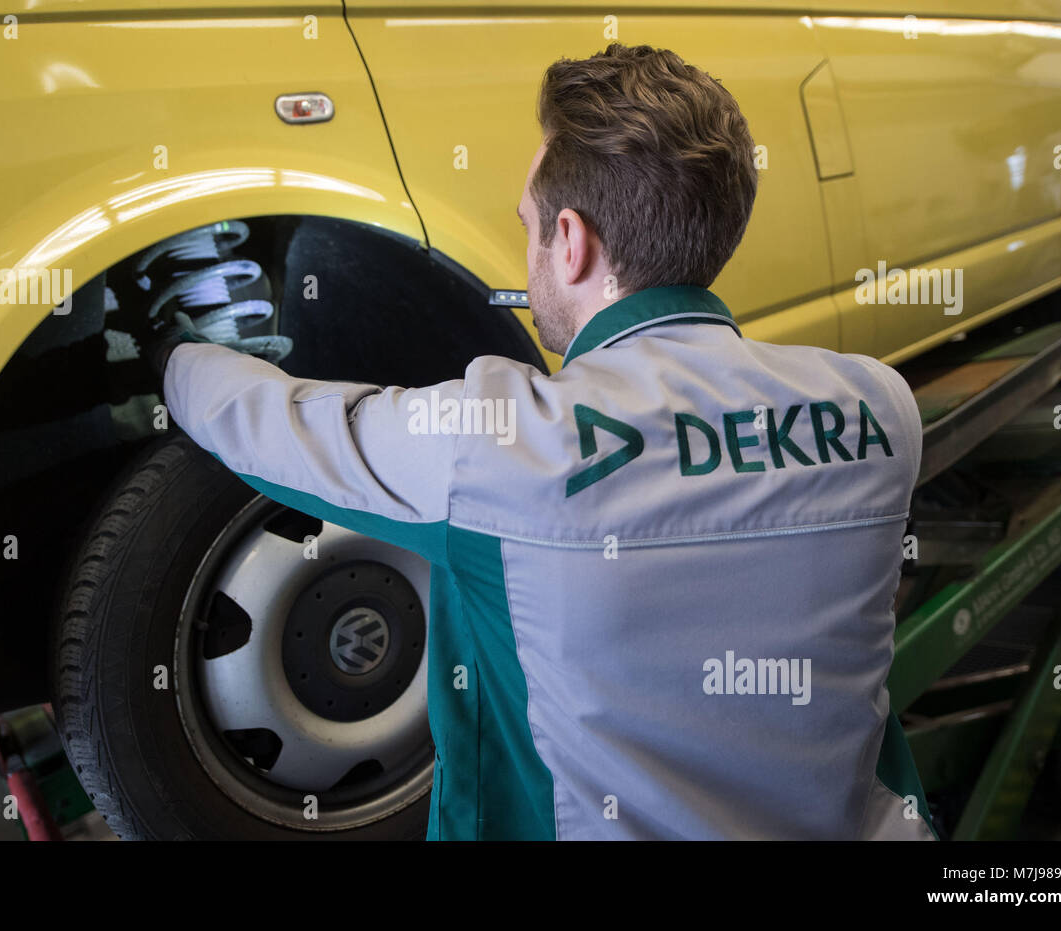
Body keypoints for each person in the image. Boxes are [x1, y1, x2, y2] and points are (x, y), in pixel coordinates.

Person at [158, 42, 935, 840]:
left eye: (528, 227)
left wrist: (172, 358)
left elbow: (268, 422)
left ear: (572, 241)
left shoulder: (498, 443)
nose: (527, 258)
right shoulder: (879, 406)